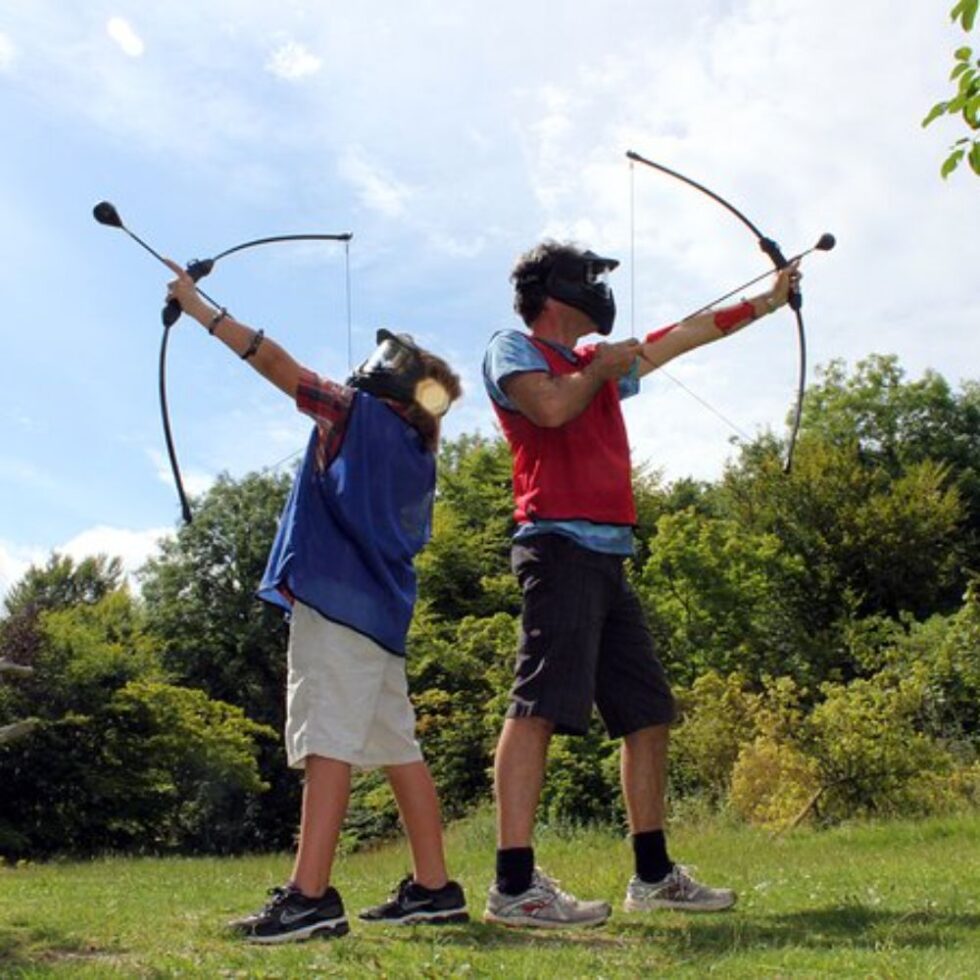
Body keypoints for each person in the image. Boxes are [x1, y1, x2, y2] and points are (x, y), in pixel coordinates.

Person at [482, 241, 801, 927]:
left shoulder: (595, 364)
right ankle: (514, 886)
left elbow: (685, 333)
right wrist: (601, 368)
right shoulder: (514, 349)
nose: (600, 288)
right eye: (589, 277)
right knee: (537, 704)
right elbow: (550, 409)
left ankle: (653, 876)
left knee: (647, 713)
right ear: (555, 289)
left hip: (608, 555)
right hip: (557, 547)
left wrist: (770, 300)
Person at [164, 260, 467, 944]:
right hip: (384, 622)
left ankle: (309, 899)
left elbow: (275, 363)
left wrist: (198, 306)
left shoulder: (353, 415)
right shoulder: (421, 451)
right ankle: (434, 887)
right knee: (397, 747)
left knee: (327, 743)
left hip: (336, 612)